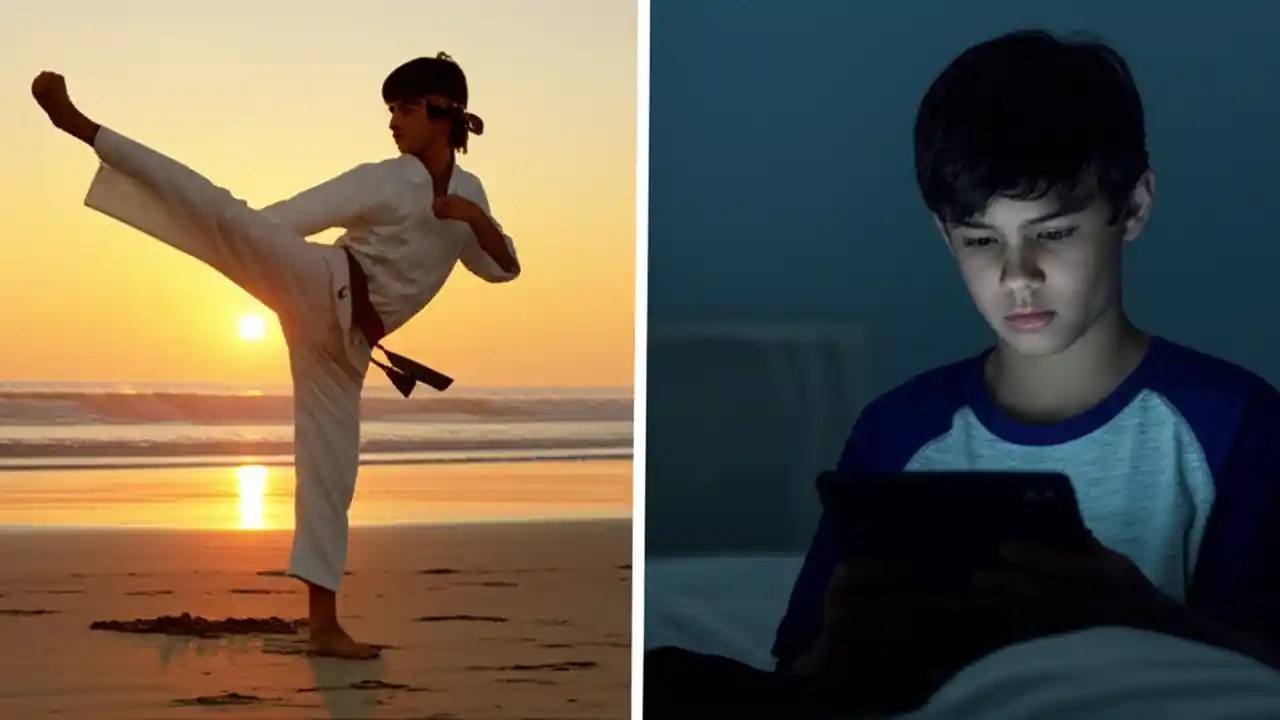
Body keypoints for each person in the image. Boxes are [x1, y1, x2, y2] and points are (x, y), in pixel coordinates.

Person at [645, 28, 1280, 718]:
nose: (1017, 275)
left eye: (1054, 233)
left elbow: (1260, 671)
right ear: (945, 236)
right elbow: (803, 679)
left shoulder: (1233, 422)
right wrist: (846, 642)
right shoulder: (898, 429)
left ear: (1133, 208)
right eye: (981, 240)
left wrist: (1142, 617)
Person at [30, 53, 521, 660]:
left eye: (405, 109)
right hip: (320, 283)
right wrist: (246, 245)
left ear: (444, 113)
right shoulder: (385, 178)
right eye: (390, 109)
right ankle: (81, 126)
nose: (393, 121)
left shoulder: (470, 195)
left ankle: (324, 627)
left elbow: (504, 267)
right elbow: (289, 219)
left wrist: (473, 217)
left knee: (330, 476)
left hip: (345, 347)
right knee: (224, 211)